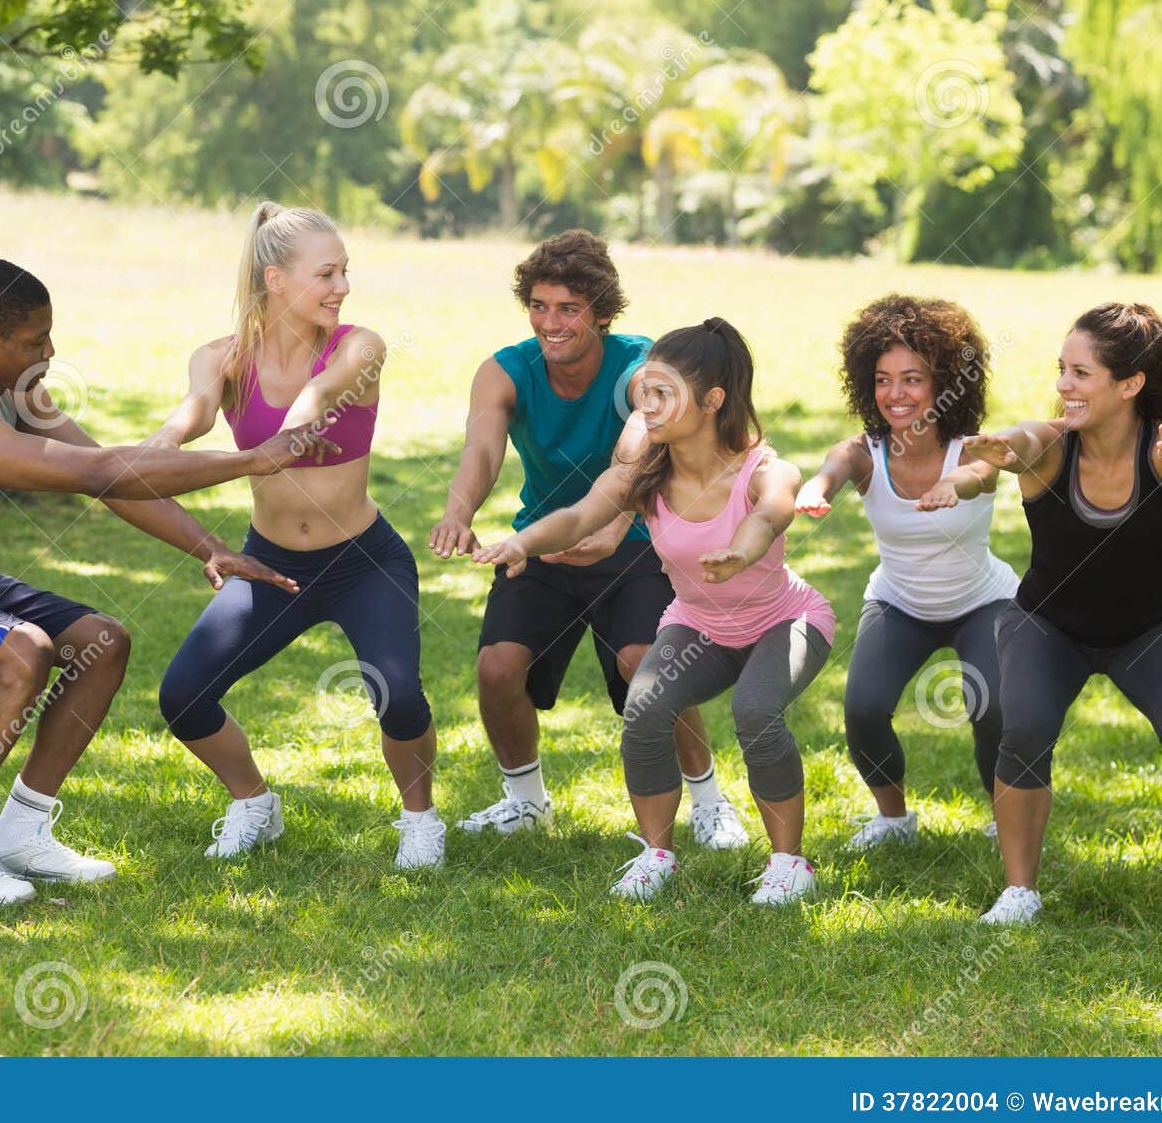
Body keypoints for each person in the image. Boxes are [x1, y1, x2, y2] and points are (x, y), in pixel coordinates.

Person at [0, 259, 333, 906]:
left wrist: (209, 547)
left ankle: (20, 832)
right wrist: (250, 460)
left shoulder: (7, 389)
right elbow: (99, 472)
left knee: (101, 642)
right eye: (33, 340)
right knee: (23, 651)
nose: (49, 352)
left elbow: (108, 474)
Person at [474, 319, 834, 903]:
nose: (646, 406)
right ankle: (656, 853)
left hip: (784, 621)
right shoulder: (646, 473)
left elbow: (772, 513)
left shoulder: (763, 467)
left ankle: (789, 863)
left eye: (664, 393)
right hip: (699, 627)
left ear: (713, 401)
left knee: (756, 710)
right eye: (646, 392)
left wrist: (740, 552)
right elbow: (579, 516)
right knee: (645, 707)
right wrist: (523, 542)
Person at [150, 202, 445, 870]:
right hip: (270, 566)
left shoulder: (359, 345)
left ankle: (420, 817)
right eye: (327, 274)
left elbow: (324, 393)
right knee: (183, 695)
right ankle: (253, 800)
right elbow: (192, 415)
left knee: (398, 694)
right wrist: (158, 446)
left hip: (363, 560)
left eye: (345, 272)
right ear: (275, 279)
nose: (343, 287)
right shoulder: (221, 359)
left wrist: (293, 424)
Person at [429, 231, 740, 849]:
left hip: (634, 548)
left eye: (568, 308)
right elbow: (483, 447)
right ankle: (524, 800)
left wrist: (616, 520)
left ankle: (707, 798)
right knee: (497, 667)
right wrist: (459, 511)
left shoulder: (640, 363)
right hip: (542, 544)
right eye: (539, 306)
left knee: (647, 665)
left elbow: (644, 436)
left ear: (601, 311)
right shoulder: (506, 369)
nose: (551, 322)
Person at [946, 302, 1162, 936]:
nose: (1063, 386)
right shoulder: (1048, 446)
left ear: (1130, 383)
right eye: (1061, 369)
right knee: (1022, 730)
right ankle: (1020, 891)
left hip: (1151, 628)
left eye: (1081, 373)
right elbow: (1009, 449)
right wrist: (975, 471)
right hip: (1048, 626)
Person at [796, 295, 1018, 848]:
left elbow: (985, 475)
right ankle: (894, 820)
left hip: (982, 601)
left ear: (945, 381)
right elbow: (831, 469)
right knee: (864, 709)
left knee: (992, 706)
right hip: (899, 602)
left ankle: (1005, 816)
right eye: (883, 379)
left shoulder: (972, 449)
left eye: (913, 379)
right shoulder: (865, 451)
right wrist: (813, 490)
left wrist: (954, 484)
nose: (895, 394)